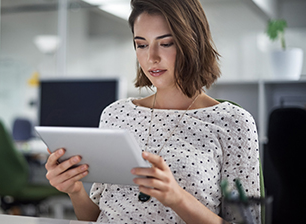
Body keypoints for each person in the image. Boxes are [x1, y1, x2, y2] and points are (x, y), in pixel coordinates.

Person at [45, 0, 261, 223]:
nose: (151, 58)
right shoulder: (115, 114)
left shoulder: (233, 122)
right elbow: (97, 217)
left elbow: (246, 221)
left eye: (166, 43)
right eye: (141, 45)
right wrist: (74, 189)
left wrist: (178, 199)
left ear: (193, 42)